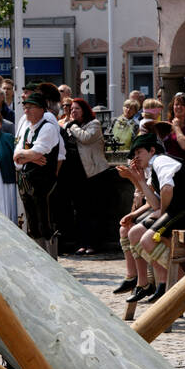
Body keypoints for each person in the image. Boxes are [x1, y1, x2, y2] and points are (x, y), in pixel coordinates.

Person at [121, 133, 185, 304]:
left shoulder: (160, 161)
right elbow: (154, 201)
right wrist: (140, 180)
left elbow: (167, 190)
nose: (136, 157)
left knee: (148, 240)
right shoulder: (153, 167)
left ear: (151, 150)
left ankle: (184, 285)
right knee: (134, 234)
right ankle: (161, 284)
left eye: (138, 152)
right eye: (134, 154)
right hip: (176, 210)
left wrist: (162, 212)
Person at [14, 90, 61, 255]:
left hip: (44, 184)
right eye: (25, 107)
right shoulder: (27, 128)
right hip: (26, 182)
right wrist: (30, 157)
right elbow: (16, 156)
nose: (26, 110)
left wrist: (27, 156)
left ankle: (51, 260)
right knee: (32, 224)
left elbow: (37, 152)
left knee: (46, 224)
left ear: (42, 108)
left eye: (31, 107)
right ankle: (40, 260)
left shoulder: (48, 127)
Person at [64, 98, 112, 254]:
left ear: (84, 110)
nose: (73, 111)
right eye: (71, 109)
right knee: (80, 211)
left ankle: (94, 244)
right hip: (77, 174)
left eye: (77, 109)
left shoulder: (94, 124)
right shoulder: (71, 126)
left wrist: (72, 126)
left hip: (94, 173)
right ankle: (82, 243)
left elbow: (85, 138)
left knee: (95, 210)